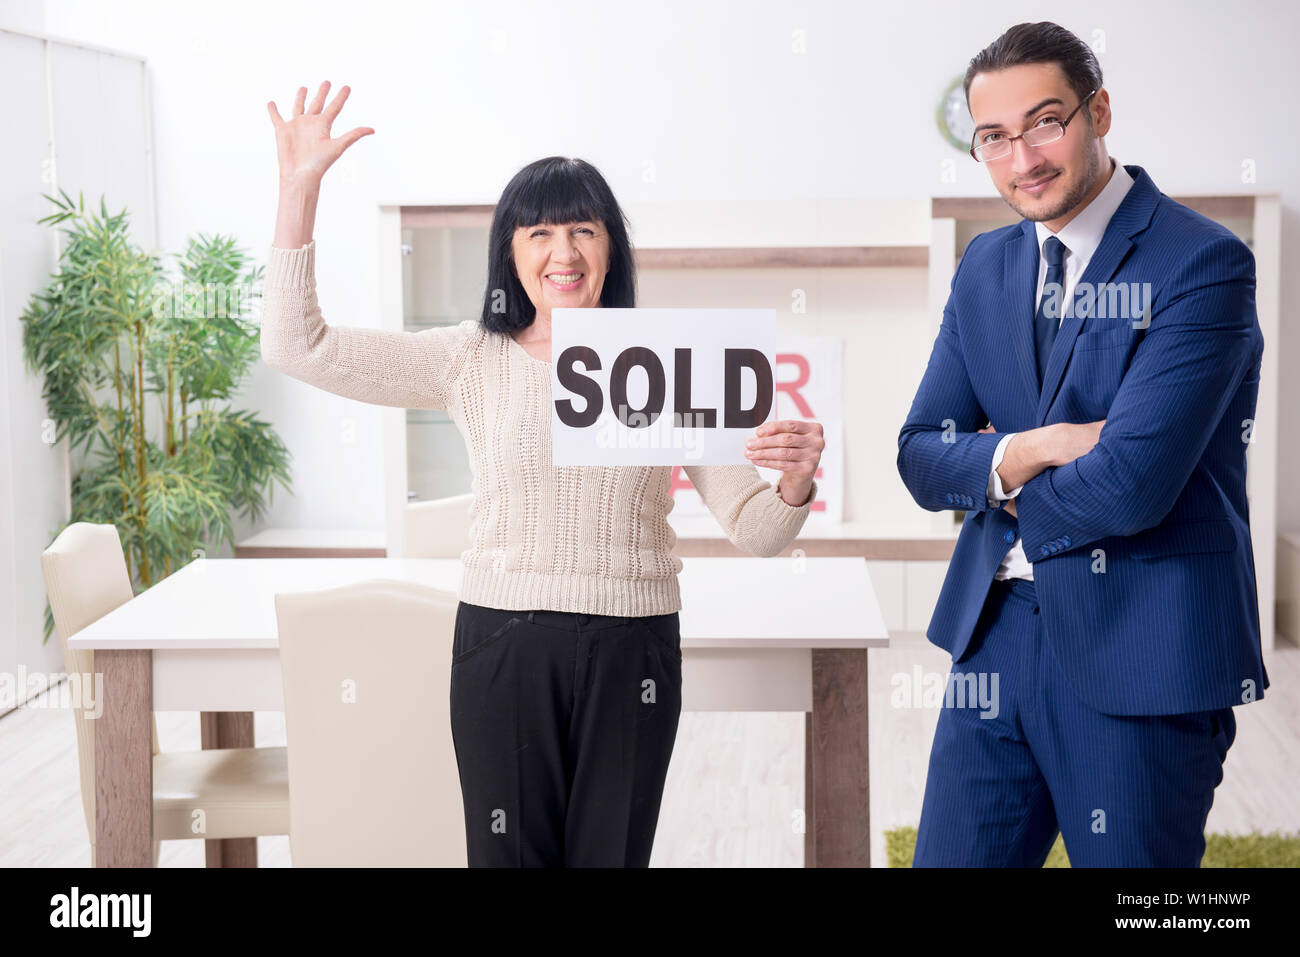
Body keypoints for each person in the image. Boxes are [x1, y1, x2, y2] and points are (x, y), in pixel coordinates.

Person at [261, 82, 824, 866]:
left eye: (584, 231)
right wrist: (300, 189)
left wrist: (795, 478)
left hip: (635, 652)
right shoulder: (466, 358)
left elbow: (759, 529)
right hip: (502, 646)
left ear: (611, 250)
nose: (564, 254)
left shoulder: (664, 362)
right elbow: (297, 345)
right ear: (512, 250)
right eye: (540, 233)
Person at [896, 22, 1268, 866]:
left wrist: (990, 468)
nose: (1022, 158)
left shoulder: (1202, 263)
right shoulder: (985, 266)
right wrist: (1033, 449)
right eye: (994, 137)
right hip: (994, 638)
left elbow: (1133, 483)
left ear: (1098, 111)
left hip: (1142, 648)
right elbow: (920, 454)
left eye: (1045, 122)